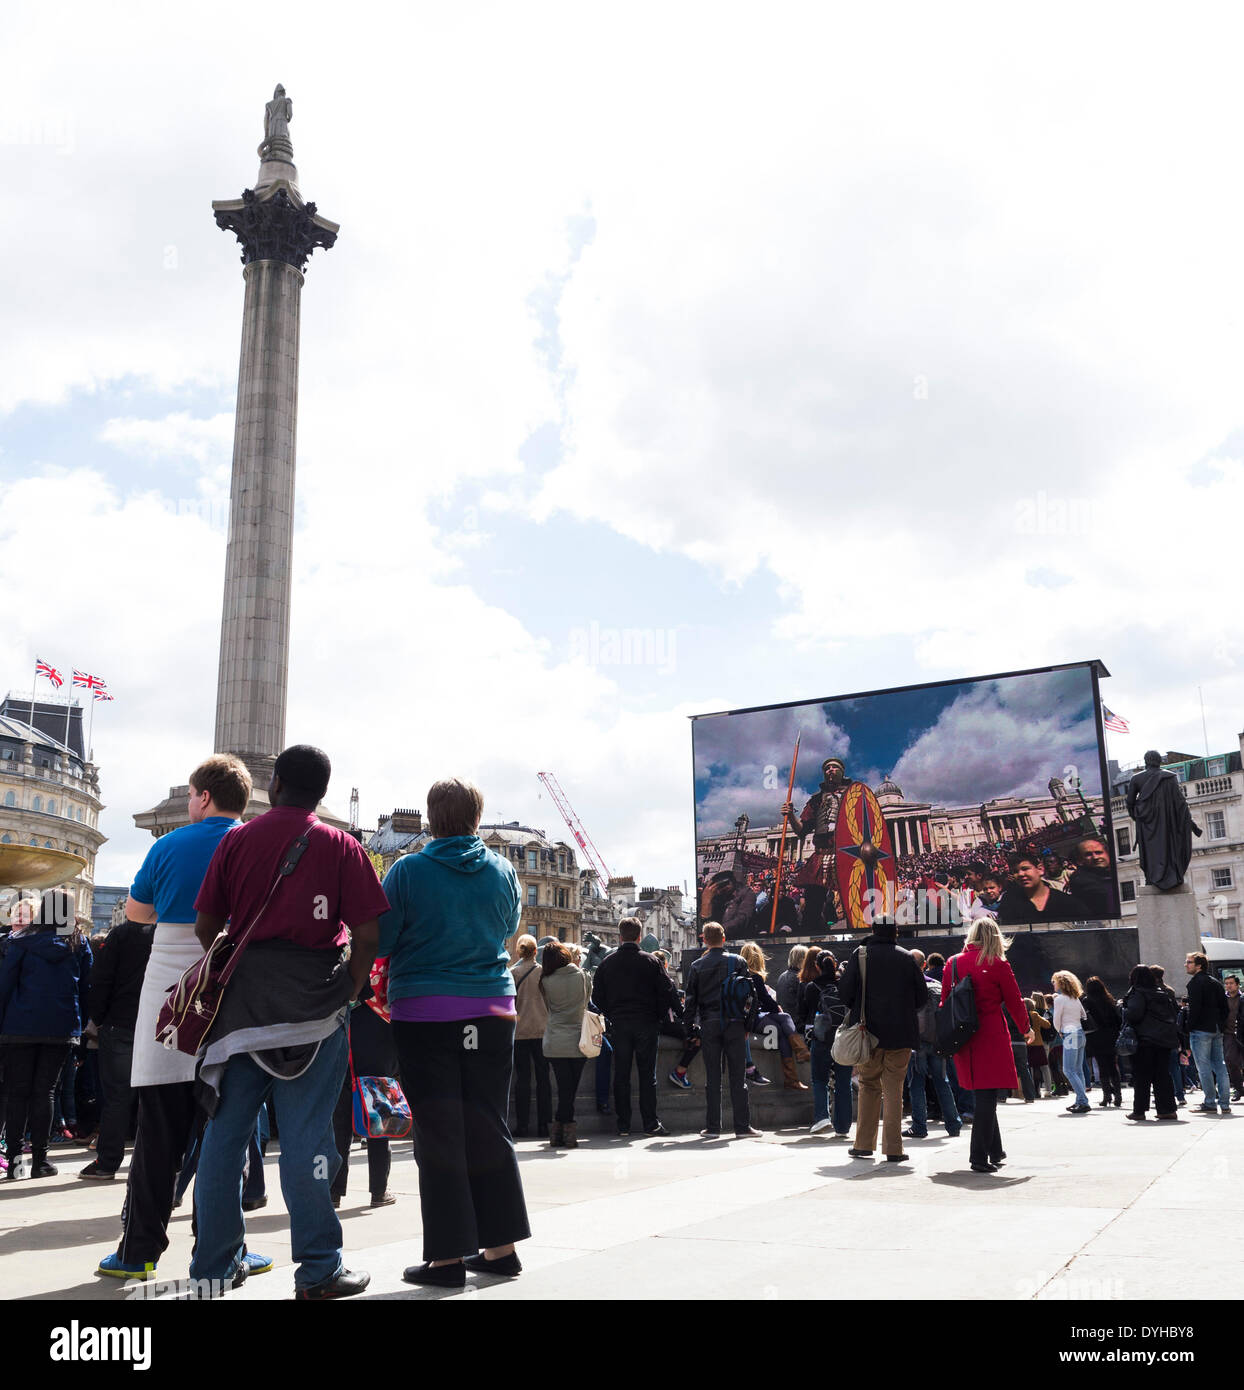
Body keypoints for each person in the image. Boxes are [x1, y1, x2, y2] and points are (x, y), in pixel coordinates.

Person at [189, 745, 389, 1300]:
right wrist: (349, 985)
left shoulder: (236, 839)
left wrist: (238, 967)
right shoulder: (342, 845)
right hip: (316, 1007)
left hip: (243, 1012)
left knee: (225, 1137)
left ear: (273, 784)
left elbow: (207, 923)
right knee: (307, 1140)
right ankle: (319, 1268)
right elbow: (370, 936)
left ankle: (213, 1264)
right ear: (322, 793)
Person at [96, 755, 252, 1279]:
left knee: (158, 1130)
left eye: (190, 795)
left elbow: (138, 914)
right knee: (226, 1134)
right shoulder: (253, 844)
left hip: (169, 989)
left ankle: (137, 1250)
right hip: (236, 988)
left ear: (203, 797)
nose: (188, 802)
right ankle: (223, 1248)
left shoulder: (168, 845)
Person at [379, 774, 530, 1288]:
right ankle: (501, 1249)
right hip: (491, 1007)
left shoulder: (407, 872)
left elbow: (383, 936)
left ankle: (445, 1260)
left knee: (440, 1132)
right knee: (489, 1123)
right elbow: (509, 927)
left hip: (425, 1011)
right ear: (476, 817)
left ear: (430, 817)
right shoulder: (504, 870)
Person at [0, 889, 91, 1179]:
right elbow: (87, 990)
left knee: (17, 1093)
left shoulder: (22, 942)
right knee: (46, 1092)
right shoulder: (79, 944)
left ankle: (15, 1162)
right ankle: (40, 1162)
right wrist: (81, 1028)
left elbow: (5, 985)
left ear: (42, 912)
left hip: (18, 1026)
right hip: (62, 1027)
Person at [941, 918, 1032, 1173]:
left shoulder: (954, 962)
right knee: (987, 1096)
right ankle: (978, 1157)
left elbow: (945, 1002)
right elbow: (1014, 1001)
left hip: (962, 1036)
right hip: (990, 1035)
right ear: (995, 937)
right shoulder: (998, 964)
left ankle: (995, 1150)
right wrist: (1026, 1029)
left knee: (984, 1094)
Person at [837, 919, 927, 1163]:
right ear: (896, 933)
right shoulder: (907, 957)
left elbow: (845, 992)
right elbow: (922, 997)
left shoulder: (861, 954)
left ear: (873, 931)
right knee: (894, 1089)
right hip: (901, 1034)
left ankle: (864, 1144)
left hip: (870, 1033)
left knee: (868, 1085)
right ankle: (894, 1149)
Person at [79, 914, 154, 1180]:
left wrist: (98, 1019)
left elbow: (100, 980)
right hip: (160, 1025)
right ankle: (163, 1162)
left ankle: (107, 1162)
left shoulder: (122, 934)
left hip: (121, 1023)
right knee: (158, 1097)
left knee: (117, 1098)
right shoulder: (174, 932)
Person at [591, 916, 677, 1137]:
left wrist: (611, 1014)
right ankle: (650, 1123)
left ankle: (623, 1124)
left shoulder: (607, 963)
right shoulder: (652, 961)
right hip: (647, 1023)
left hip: (619, 1024)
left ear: (620, 937)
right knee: (648, 1075)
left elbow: (597, 996)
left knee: (621, 1075)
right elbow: (668, 992)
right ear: (639, 936)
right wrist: (658, 1016)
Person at [683, 923, 761, 1139]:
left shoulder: (697, 966)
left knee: (713, 1076)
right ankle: (742, 1127)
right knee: (738, 1076)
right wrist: (748, 1025)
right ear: (724, 938)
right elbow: (751, 997)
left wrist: (689, 1029)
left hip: (709, 1024)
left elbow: (690, 1002)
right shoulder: (737, 962)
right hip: (735, 1023)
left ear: (704, 939)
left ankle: (713, 1127)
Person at [331, 977, 398, 1210]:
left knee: (340, 1124)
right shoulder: (383, 1000)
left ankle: (334, 1191)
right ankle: (379, 1191)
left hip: (345, 1058)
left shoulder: (346, 994)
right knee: (378, 1121)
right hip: (378, 1057)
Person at [903, 952, 961, 1141]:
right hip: (938, 1041)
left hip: (917, 1042)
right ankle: (953, 1123)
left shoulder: (909, 986)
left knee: (916, 1084)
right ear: (924, 965)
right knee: (942, 1081)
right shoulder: (936, 984)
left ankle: (919, 1126)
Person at [738, 940, 810, 1090]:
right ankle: (800, 1053)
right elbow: (766, 999)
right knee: (784, 1019)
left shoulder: (739, 976)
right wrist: (778, 1009)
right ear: (758, 958)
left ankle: (793, 1078)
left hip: (748, 1018)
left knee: (782, 1031)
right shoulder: (755, 977)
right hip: (753, 1020)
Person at [541, 940, 589, 1148]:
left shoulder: (545, 981)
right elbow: (587, 1002)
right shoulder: (583, 976)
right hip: (578, 1040)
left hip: (554, 1040)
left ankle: (558, 1131)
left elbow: (547, 1008)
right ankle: (567, 1132)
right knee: (569, 1089)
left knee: (564, 1088)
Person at [798, 949, 849, 1136]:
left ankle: (822, 1117)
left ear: (817, 966)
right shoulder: (844, 984)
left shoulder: (811, 987)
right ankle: (843, 1127)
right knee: (844, 1081)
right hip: (843, 1038)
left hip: (821, 1038)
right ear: (834, 964)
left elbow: (802, 1014)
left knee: (819, 1080)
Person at [1121, 964, 1180, 1120]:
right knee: (1162, 1075)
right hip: (1164, 1041)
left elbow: (1134, 1015)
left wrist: (1122, 1009)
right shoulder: (1163, 993)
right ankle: (1167, 1109)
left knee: (1142, 1076)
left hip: (1144, 1041)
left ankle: (1139, 1111)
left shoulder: (1137, 993)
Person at [510, 934, 551, 1139]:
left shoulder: (513, 973)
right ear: (536, 951)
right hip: (542, 1030)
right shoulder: (544, 973)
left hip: (519, 1032)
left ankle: (523, 1125)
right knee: (544, 1079)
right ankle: (545, 1125)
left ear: (519, 952)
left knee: (522, 1080)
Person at [1184, 951, 1231, 1115]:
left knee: (1203, 1067)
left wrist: (1189, 1027)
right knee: (1220, 1066)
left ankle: (1210, 1102)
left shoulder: (1195, 983)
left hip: (1201, 1029)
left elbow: (1194, 1010)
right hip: (1216, 1028)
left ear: (1198, 965)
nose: (1186, 964)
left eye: (1189, 962)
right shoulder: (1215, 982)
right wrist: (1221, 1023)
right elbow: (1225, 1008)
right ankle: (1225, 1104)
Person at [997, 852, 1087, 925]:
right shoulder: (1009, 902)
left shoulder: (1066, 901)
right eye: (1015, 871)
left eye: (1025, 869)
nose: (1020, 874)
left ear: (1040, 869)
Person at [1050, 972, 1091, 1113]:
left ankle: (1083, 1101)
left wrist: (1059, 1030)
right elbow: (1083, 1015)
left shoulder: (1060, 999)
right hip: (1080, 1034)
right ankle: (1080, 1101)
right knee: (1077, 1070)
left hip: (1070, 1034)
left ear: (1060, 983)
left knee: (1068, 1069)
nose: (1053, 984)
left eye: (1054, 982)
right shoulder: (1075, 998)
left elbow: (1056, 1020)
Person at [1065, 838, 1117, 918]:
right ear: (1080, 860)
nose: (1095, 857)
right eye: (1088, 854)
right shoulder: (1081, 880)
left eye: (1099, 852)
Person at [1224, 975, 1244, 1102]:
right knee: (1230, 1060)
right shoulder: (1223, 999)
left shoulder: (1242, 998)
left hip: (1242, 1032)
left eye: (1231, 983)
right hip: (1229, 1033)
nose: (1228, 985)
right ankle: (1238, 1089)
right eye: (1226, 983)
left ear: (1237, 985)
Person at [776, 945, 808, 1018]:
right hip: (797, 1023)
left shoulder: (782, 976)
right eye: (807, 959)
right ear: (802, 960)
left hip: (785, 1020)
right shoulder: (799, 978)